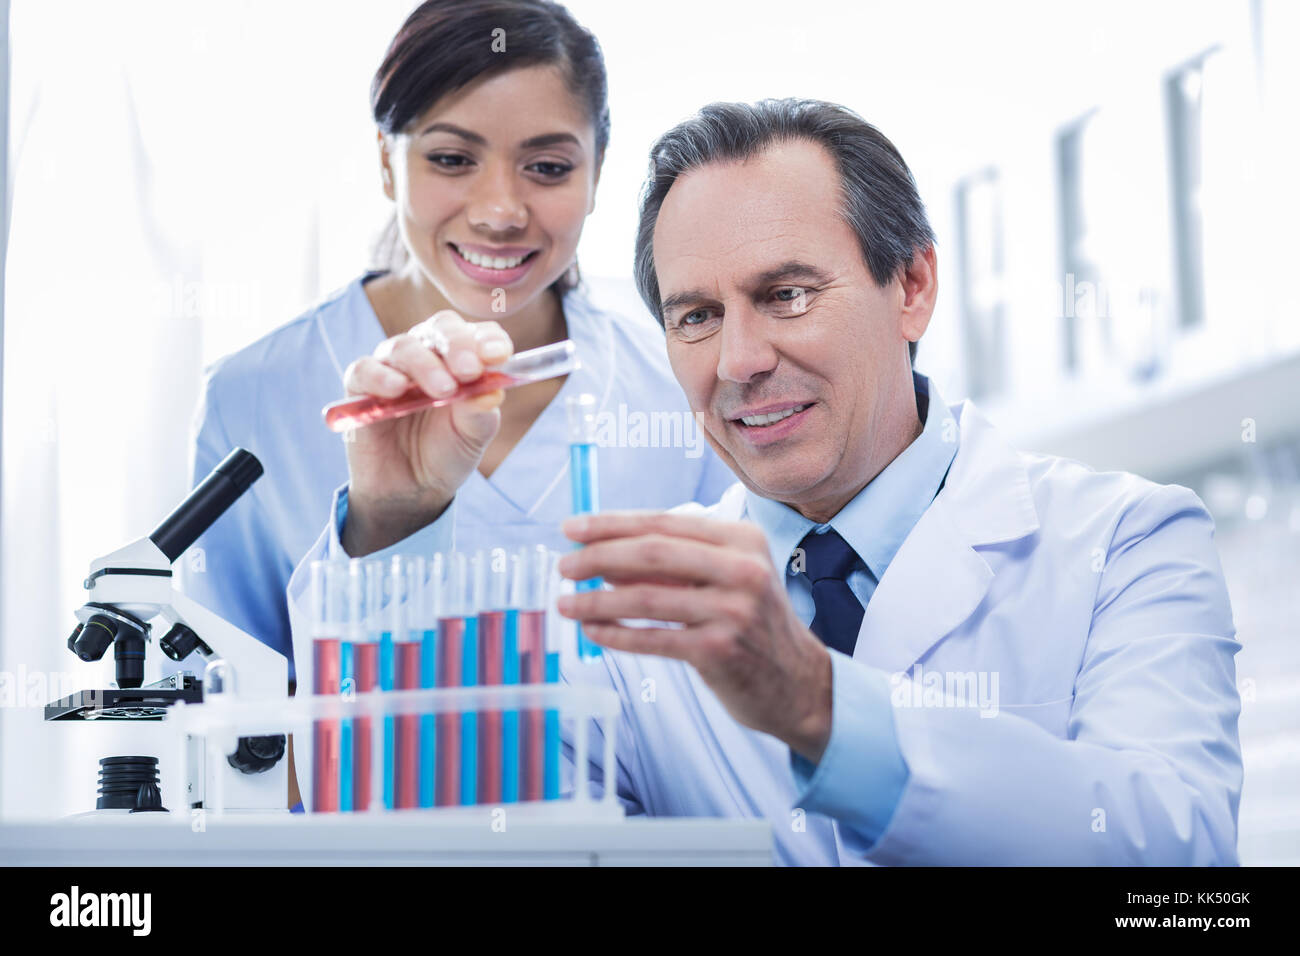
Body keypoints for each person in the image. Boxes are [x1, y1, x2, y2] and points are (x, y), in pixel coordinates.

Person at [546, 99, 1243, 865]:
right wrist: (397, 504)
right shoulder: (619, 621)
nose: (739, 360)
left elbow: (1181, 867)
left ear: (911, 286)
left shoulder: (1129, 543)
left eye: (788, 295)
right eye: (698, 317)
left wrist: (820, 705)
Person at [179, 0, 736, 693]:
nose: (500, 211)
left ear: (597, 173)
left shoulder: (682, 386)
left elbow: (737, 700)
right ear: (387, 163)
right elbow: (218, 723)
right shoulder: (254, 396)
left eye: (548, 167)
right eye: (451, 158)